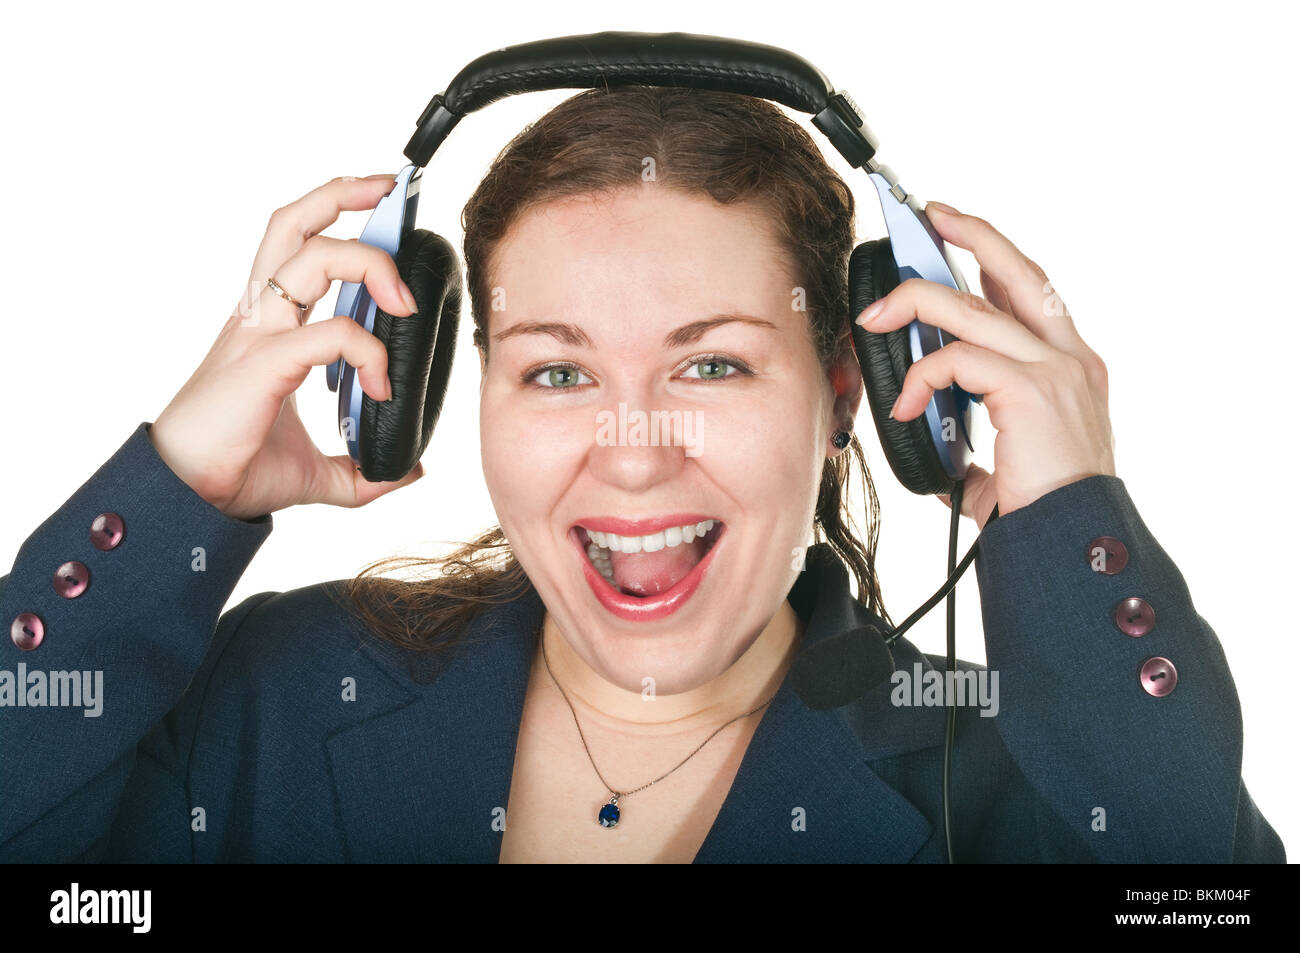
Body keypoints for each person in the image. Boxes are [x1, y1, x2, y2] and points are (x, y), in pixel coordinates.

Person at [0, 86, 1285, 863]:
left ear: (851, 394)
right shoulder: (278, 694)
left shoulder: (1007, 766)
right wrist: (176, 489)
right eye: (557, 372)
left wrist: (1071, 533)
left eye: (712, 367)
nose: (630, 450)